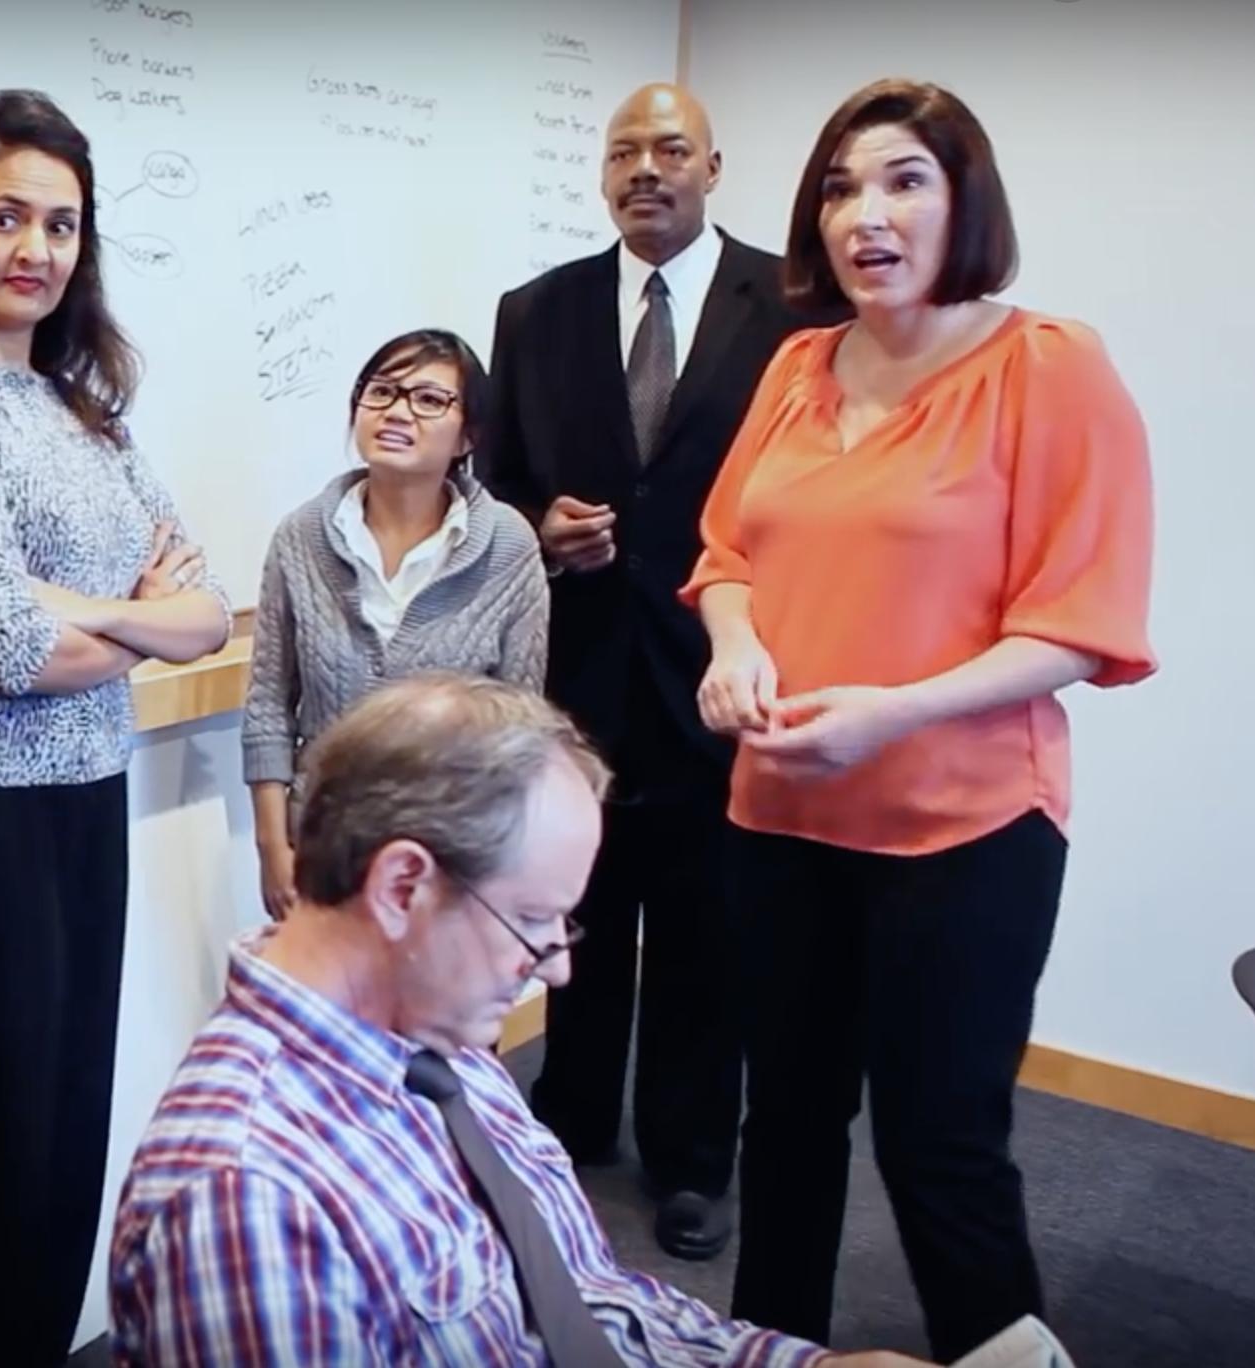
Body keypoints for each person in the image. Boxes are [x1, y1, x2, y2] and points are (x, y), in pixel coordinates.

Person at [688, 78, 1154, 1360]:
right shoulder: (794, 363)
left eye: (901, 181)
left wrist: (890, 714)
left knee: (939, 1142)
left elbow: (1080, 619)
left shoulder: (1046, 365)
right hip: (779, 808)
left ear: (964, 203)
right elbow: (724, 550)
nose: (863, 214)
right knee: (779, 1123)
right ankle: (769, 1349)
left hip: (965, 826)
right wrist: (732, 648)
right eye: (839, 186)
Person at [108, 674, 932, 1368]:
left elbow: (587, 1297)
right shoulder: (248, 1203)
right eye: (535, 925)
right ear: (403, 888)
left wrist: (795, 1363)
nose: (558, 966)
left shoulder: (433, 1036)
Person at [0, 88, 231, 1367]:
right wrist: (131, 612)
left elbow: (207, 616)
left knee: (72, 1115)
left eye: (60, 224)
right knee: (0, 1132)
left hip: (87, 794)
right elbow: (0, 648)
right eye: (5, 216)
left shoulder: (87, 405)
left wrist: (114, 616)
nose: (34, 246)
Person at [481, 81, 826, 1260]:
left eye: (668, 148)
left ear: (712, 165)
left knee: (702, 933)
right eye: (622, 151)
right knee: (571, 914)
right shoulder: (534, 312)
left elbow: (815, 493)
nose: (644, 169)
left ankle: (691, 1160)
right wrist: (536, 527)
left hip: (720, 672)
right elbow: (499, 483)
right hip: (577, 677)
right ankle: (569, 1125)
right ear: (600, 174)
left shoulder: (792, 308)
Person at [245, 328, 546, 921]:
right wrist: (271, 846)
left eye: (429, 399)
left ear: (469, 435)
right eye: (381, 392)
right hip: (326, 845)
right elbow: (267, 706)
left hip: (452, 859)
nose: (398, 411)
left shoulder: (508, 546)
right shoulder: (302, 537)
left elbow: (520, 729)